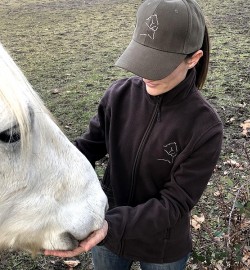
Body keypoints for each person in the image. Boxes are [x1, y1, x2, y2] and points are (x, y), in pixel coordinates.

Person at [44, 0, 223, 269]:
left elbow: (174, 203)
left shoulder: (205, 127)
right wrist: (49, 171)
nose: (144, 73)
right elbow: (88, 147)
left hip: (162, 245)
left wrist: (109, 226)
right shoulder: (119, 95)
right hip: (109, 235)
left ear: (193, 58)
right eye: (142, 58)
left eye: (158, 64)